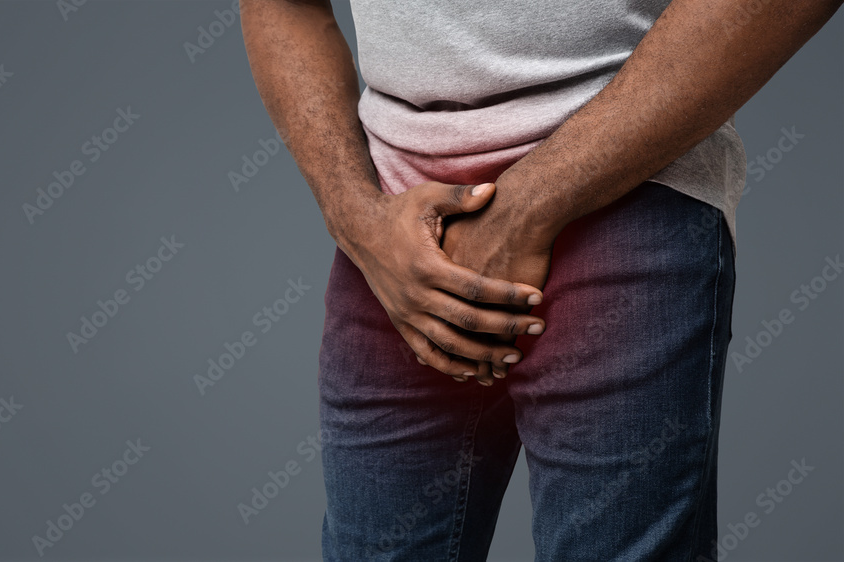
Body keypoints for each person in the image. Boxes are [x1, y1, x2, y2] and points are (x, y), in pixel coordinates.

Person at [241, 1, 841, 560]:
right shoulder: (382, 234)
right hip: (398, 240)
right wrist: (358, 219)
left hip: (623, 193)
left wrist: (529, 205)